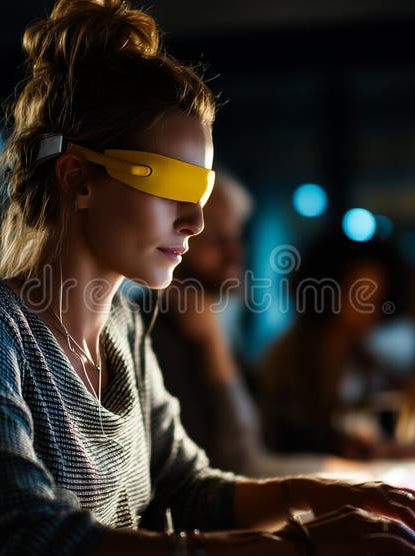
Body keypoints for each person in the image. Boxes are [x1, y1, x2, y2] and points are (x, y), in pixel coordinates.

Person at [0, 1, 415, 554]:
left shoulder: (125, 329)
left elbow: (188, 489)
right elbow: (22, 536)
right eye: (171, 187)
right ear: (78, 178)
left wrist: (327, 494)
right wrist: (296, 544)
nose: (196, 221)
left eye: (202, 192)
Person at [149, 171, 362, 477]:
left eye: (236, 238)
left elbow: (265, 420)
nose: (235, 253)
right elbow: (232, 461)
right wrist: (344, 472)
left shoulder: (210, 319)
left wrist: (341, 445)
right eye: (216, 240)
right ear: (177, 241)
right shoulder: (157, 332)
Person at [258, 234, 411, 460]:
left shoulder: (360, 355)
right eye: (361, 294)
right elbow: (288, 436)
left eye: (376, 296)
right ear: (327, 290)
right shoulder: (289, 358)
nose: (371, 307)